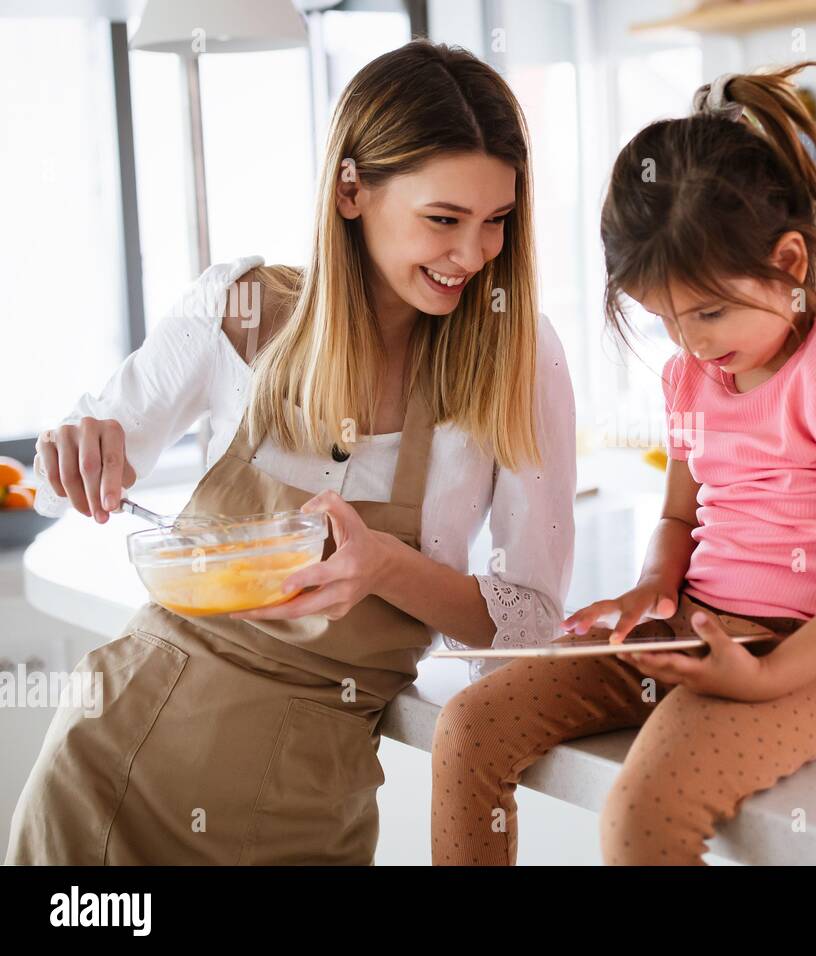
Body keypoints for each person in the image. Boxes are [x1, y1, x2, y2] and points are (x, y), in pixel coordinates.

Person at [6, 41, 576, 865]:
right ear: (351, 191)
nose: (474, 254)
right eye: (443, 220)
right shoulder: (239, 311)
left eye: (497, 223)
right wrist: (72, 449)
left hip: (310, 796)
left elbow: (529, 624)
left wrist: (385, 567)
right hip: (114, 768)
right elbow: (69, 480)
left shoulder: (518, 358)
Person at [429, 64, 816, 865]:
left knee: (642, 815)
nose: (691, 343)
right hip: (690, 626)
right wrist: (651, 587)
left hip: (814, 655)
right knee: (469, 724)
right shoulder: (692, 374)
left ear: (792, 264)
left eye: (709, 311)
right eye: (663, 318)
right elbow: (678, 517)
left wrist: (766, 679)